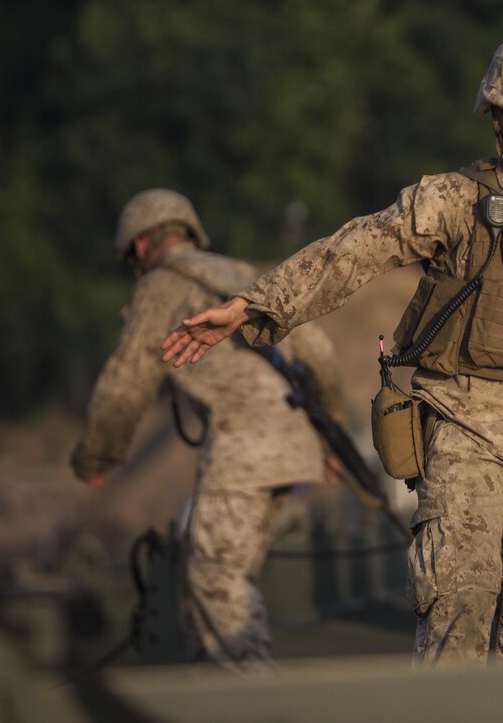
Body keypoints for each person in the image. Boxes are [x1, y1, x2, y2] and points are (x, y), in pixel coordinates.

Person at [160, 31, 503, 664]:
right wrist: (257, 303)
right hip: (466, 434)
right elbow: (356, 249)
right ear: (496, 116)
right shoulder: (452, 200)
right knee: (454, 625)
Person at [70, 189, 348, 667]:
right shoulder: (240, 274)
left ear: (138, 247)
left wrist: (98, 456)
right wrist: (330, 437)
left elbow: (125, 384)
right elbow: (318, 350)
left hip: (245, 445)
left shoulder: (159, 286)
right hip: (294, 436)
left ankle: (258, 699)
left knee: (213, 579)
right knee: (228, 577)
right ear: (190, 232)